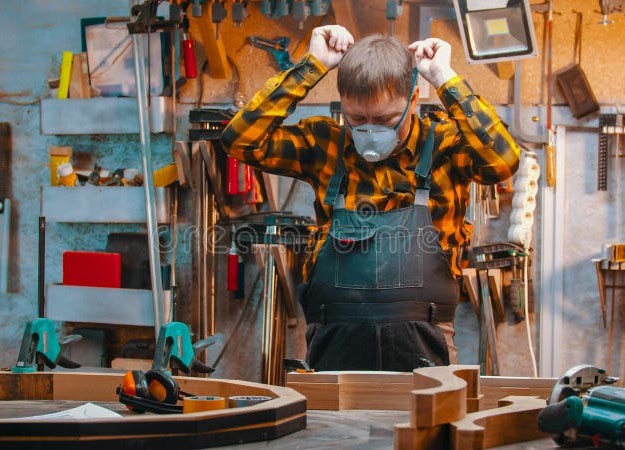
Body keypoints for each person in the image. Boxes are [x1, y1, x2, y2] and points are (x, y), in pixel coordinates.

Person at [221, 25, 520, 371]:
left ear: (414, 98)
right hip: (334, 341)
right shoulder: (325, 143)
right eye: (357, 119)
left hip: (425, 340)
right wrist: (312, 66)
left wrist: (445, 79)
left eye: (386, 119)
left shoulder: (445, 146)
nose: (370, 130)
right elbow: (240, 141)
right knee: (330, 427)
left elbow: (504, 161)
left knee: (431, 425)